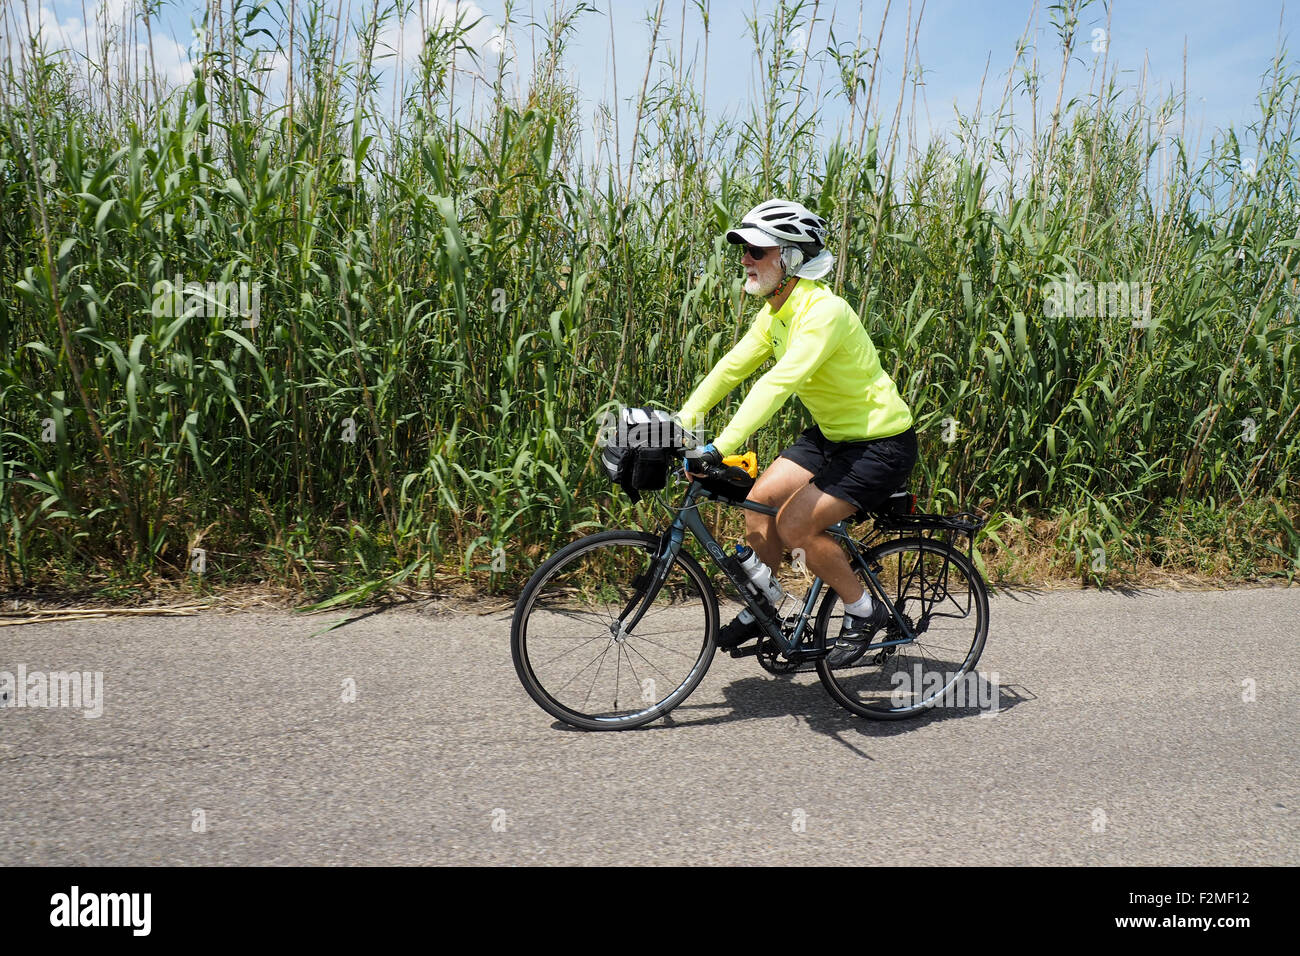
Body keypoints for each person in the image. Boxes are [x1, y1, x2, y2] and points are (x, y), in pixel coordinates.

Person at [675, 199, 918, 665]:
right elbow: (731, 369)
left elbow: (778, 382)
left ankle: (862, 609)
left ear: (789, 259)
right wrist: (680, 424)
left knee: (796, 524)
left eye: (756, 250)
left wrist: (718, 447)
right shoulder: (774, 313)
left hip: (881, 443)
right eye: (744, 249)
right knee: (758, 500)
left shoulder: (824, 311)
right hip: (833, 435)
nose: (744, 258)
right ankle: (767, 604)